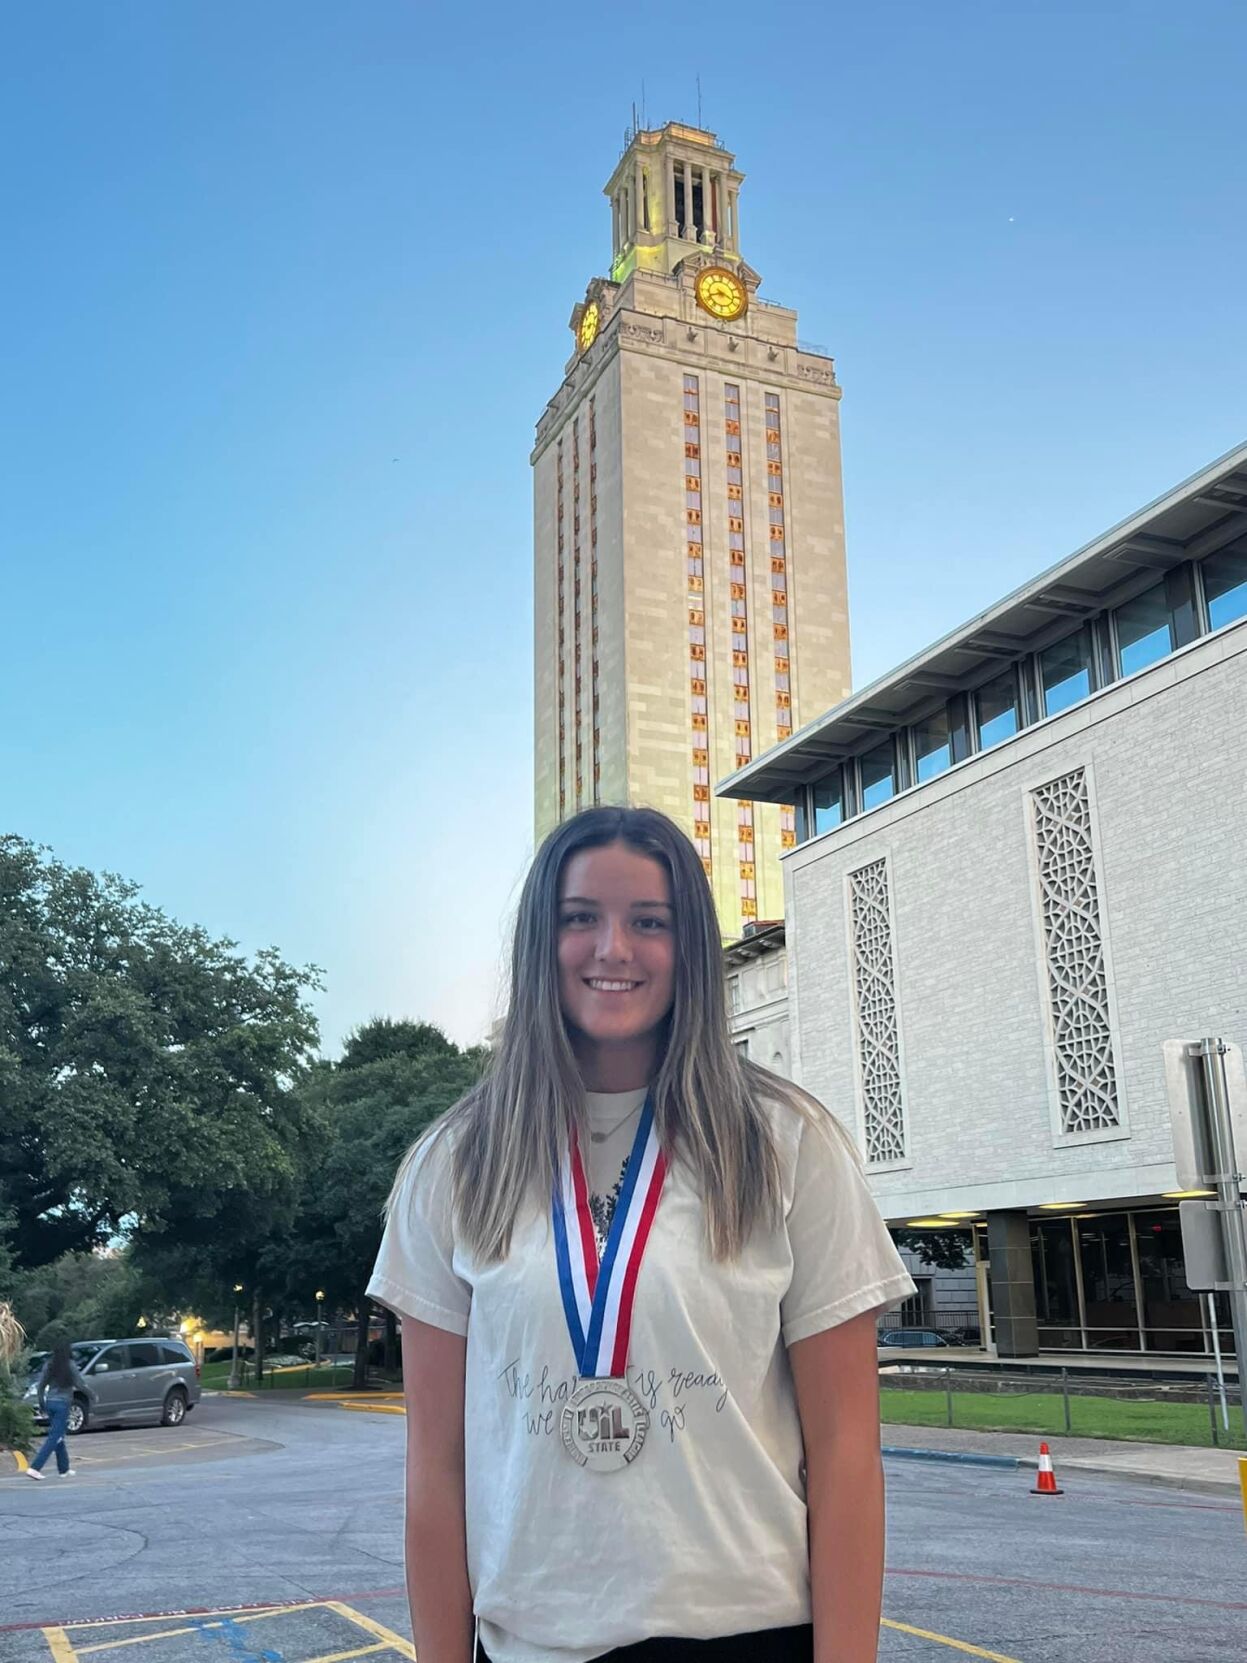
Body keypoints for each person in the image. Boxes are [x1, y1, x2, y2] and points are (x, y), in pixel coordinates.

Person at [369, 806, 915, 1663]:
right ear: (539, 940)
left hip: (746, 1635)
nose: (611, 949)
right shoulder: (453, 1162)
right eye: (579, 917)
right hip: (529, 1645)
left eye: (648, 922)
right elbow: (434, 1469)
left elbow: (846, 1453)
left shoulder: (786, 1143)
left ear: (688, 946)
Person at [28, 1338, 96, 1480]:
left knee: (59, 1436)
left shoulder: (49, 1364)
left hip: (51, 1402)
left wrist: (42, 1402)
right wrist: (92, 1395)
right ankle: (35, 1467)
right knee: (54, 1437)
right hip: (63, 1403)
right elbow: (80, 1384)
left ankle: (63, 1469)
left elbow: (41, 1385)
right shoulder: (70, 1365)